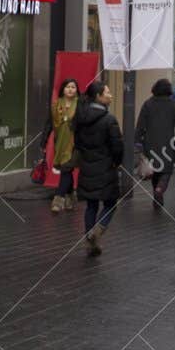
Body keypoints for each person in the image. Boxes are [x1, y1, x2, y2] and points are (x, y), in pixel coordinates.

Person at [73, 80, 125, 255]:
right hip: (105, 167)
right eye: (108, 92)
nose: (111, 95)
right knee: (110, 203)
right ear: (98, 96)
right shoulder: (109, 120)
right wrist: (116, 162)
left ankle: (90, 242)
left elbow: (77, 143)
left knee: (91, 205)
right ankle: (98, 231)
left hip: (87, 166)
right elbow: (118, 146)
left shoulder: (81, 117)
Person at [135, 78, 175, 209]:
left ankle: (156, 193)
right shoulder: (174, 104)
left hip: (150, 142)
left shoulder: (148, 104)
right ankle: (160, 190)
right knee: (166, 170)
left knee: (154, 170)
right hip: (168, 142)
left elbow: (140, 125)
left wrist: (138, 141)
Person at [49, 78, 80, 214]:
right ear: (63, 89)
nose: (70, 89)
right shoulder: (56, 105)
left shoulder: (80, 104)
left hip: (75, 142)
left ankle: (58, 199)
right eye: (68, 87)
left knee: (66, 168)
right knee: (66, 168)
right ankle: (70, 198)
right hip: (60, 142)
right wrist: (44, 141)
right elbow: (49, 124)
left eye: (73, 87)